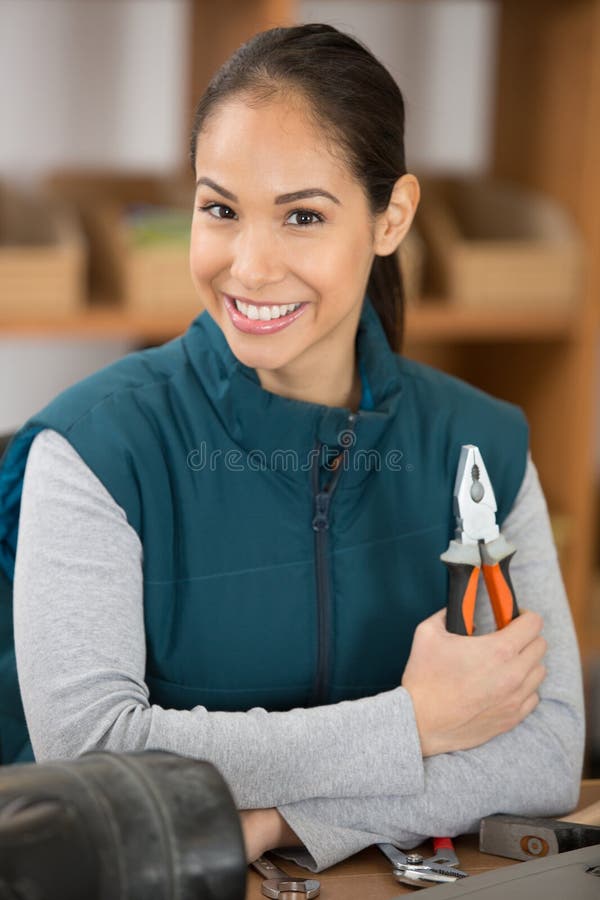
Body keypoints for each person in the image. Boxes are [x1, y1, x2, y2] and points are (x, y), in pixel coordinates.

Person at [0, 23, 584, 872]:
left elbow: (545, 757)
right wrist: (414, 723)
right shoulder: (92, 453)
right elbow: (93, 757)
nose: (250, 264)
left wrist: (284, 821)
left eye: (303, 215)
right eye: (220, 209)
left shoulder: (480, 445)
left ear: (393, 217)